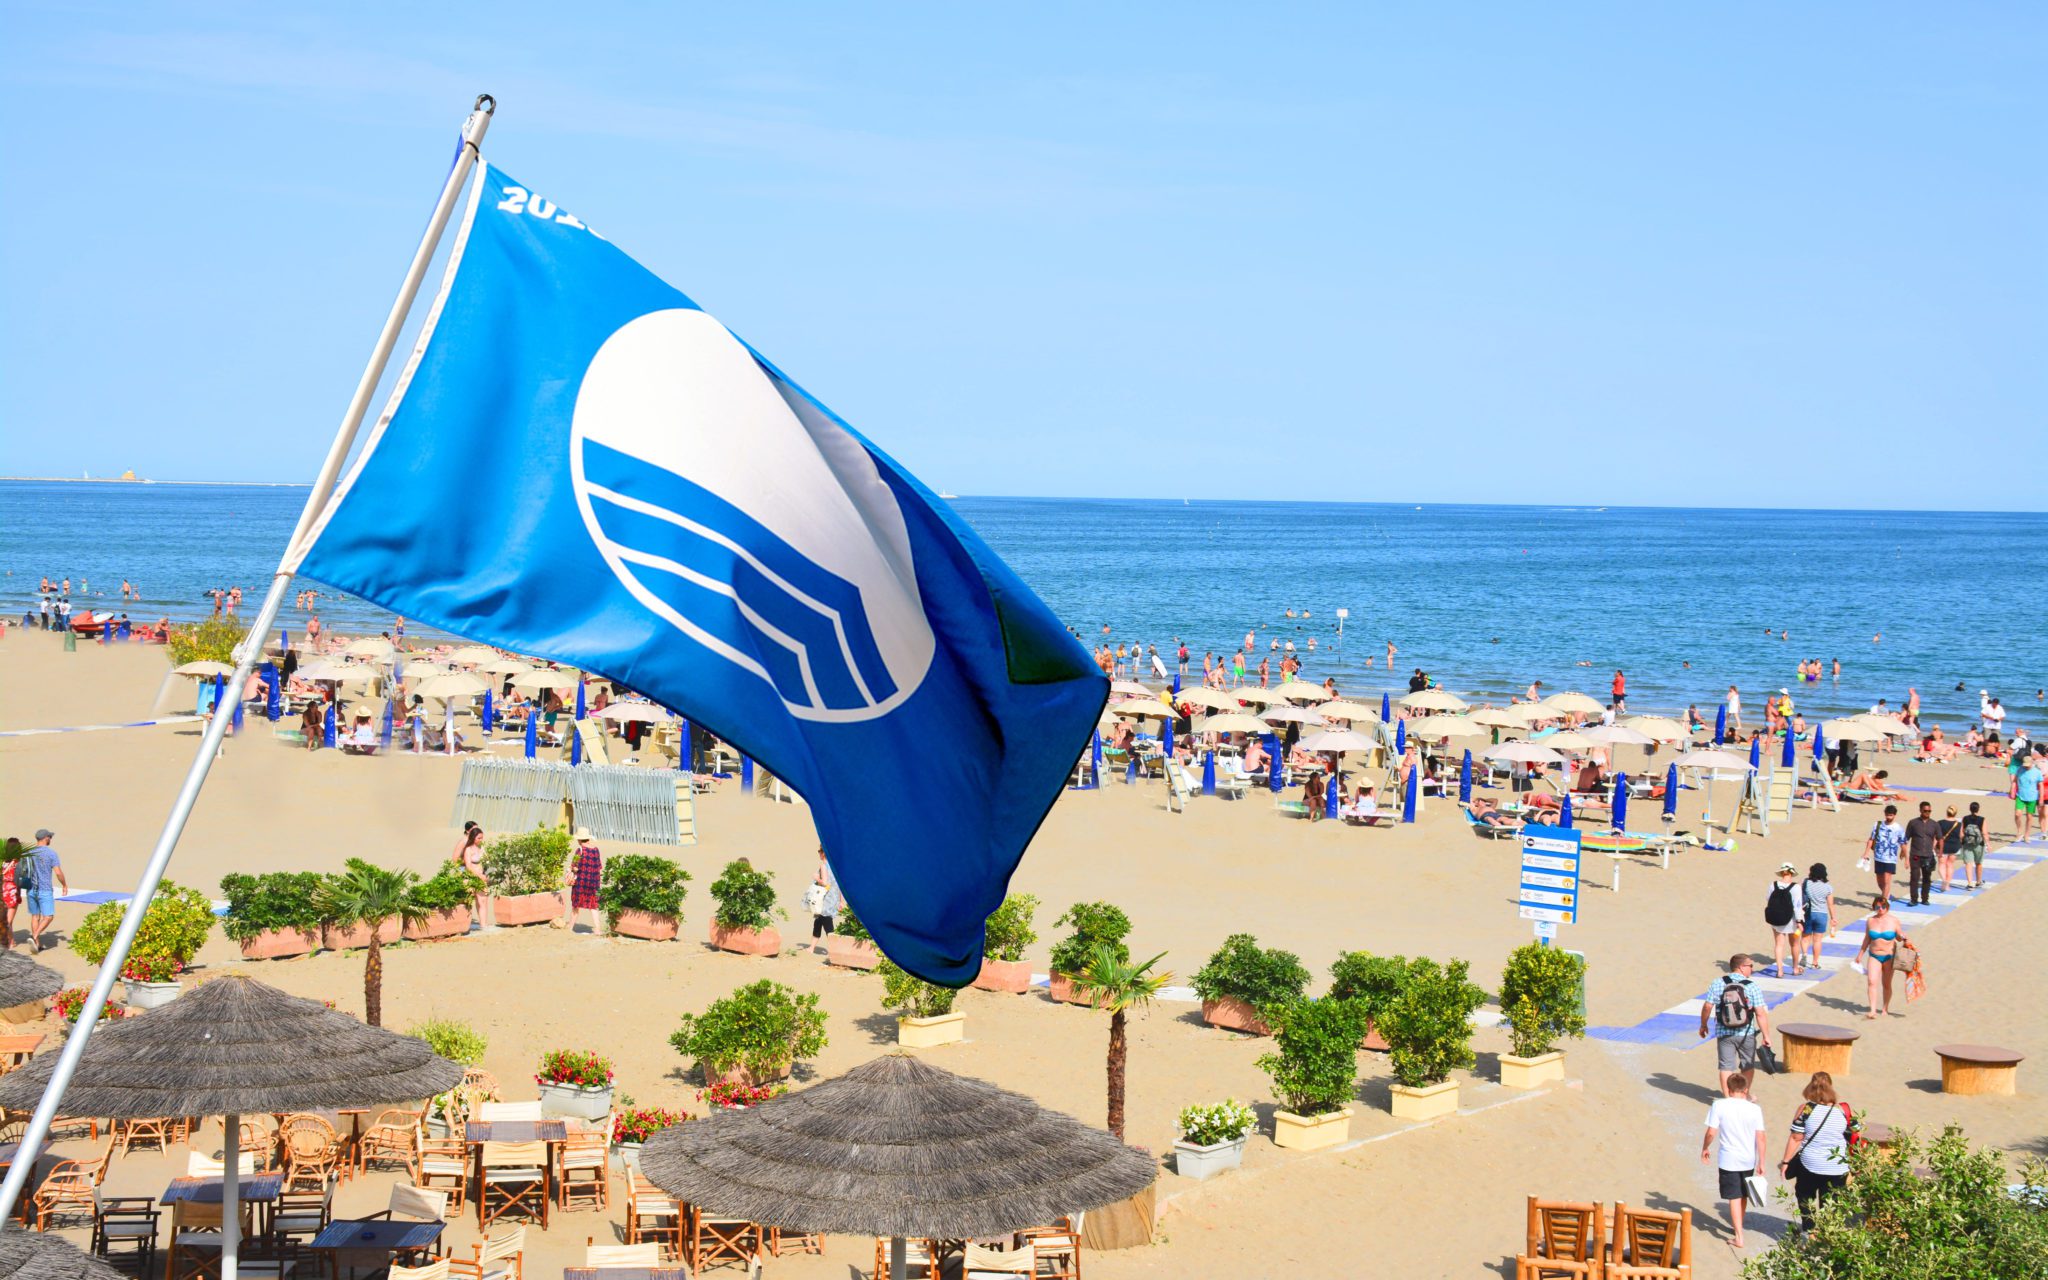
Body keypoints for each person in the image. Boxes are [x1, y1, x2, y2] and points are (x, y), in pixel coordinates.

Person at [1778, 1073, 1855, 1231]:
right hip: (1837, 1166)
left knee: (1805, 1195)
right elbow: (1854, 1134)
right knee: (1832, 1203)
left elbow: (1796, 1138)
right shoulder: (1843, 1110)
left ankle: (1810, 1230)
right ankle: (1828, 1235)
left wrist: (1786, 1162)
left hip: (1810, 1163)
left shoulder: (1806, 1109)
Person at [1701, 1069, 1768, 1248]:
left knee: (1734, 1196)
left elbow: (1711, 1132)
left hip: (1728, 1159)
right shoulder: (1755, 1109)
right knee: (1743, 1195)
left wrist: (1705, 1148)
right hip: (1748, 1158)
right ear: (1745, 1090)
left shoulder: (1719, 1106)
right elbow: (1760, 1137)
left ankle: (1738, 1236)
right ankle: (1738, 1226)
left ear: (1729, 1089)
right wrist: (1762, 1161)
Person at [1698, 954, 1769, 1089]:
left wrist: (1703, 1025)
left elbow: (1707, 1006)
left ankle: (1727, 1097)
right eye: (1750, 966)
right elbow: (1760, 1014)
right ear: (1742, 967)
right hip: (1746, 1032)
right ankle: (1744, 1094)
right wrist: (1766, 1036)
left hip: (1724, 1031)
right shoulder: (1752, 986)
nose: (1752, 969)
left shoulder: (1718, 983)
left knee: (1725, 1067)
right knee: (1747, 1065)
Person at [1853, 893, 1906, 1018]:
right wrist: (1860, 955)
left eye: (1883, 906)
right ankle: (1872, 1010)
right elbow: (1867, 939)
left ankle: (1885, 1008)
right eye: (1877, 907)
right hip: (1874, 955)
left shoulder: (1894, 920)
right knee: (1871, 981)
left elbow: (1898, 937)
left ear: (1887, 907)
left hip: (1889, 956)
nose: (1880, 909)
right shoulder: (1871, 921)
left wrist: (1902, 936)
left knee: (1886, 984)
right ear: (1874, 908)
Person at [21, 829, 67, 953]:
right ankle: (34, 936)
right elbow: (58, 873)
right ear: (46, 838)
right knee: (48, 916)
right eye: (50, 837)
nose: (51, 839)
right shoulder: (51, 853)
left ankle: (37, 945)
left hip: (31, 889)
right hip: (45, 889)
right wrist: (64, 885)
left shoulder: (29, 852)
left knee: (35, 916)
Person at [1765, 863, 1807, 977]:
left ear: (1782, 873)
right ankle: (1795, 969)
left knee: (1779, 944)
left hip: (1776, 918)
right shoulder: (1796, 887)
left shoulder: (1773, 885)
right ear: (1792, 873)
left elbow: (1768, 900)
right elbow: (1797, 906)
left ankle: (1779, 971)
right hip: (1791, 920)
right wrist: (1799, 921)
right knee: (1794, 945)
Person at [564, 827, 602, 935]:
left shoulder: (579, 850)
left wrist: (572, 870)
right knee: (593, 906)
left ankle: (570, 927)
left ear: (579, 840)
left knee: (576, 906)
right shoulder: (596, 850)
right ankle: (598, 929)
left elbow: (575, 867)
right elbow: (599, 866)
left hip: (581, 883)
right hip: (594, 882)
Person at [1864, 804, 1905, 903]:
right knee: (1879, 881)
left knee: (1887, 881)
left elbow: (1903, 842)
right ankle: (1887, 895)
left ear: (1894, 815)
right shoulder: (1877, 825)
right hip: (1878, 857)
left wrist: (1904, 854)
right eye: (1887, 815)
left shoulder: (1898, 828)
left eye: (1891, 815)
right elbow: (1871, 839)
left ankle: (1884, 902)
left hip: (1890, 858)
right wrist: (1866, 853)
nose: (1888, 817)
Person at [1903, 800, 1940, 907]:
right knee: (1914, 877)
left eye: (1929, 811)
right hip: (1915, 854)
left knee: (1927, 878)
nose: (1927, 813)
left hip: (1928, 855)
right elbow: (1906, 838)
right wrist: (1903, 851)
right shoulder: (1913, 823)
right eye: (1925, 811)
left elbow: (1940, 838)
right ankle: (1913, 899)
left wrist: (1940, 851)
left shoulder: (1934, 824)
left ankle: (1925, 899)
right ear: (1920, 810)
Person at [1798, 862, 1834, 973]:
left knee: (1805, 937)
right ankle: (1815, 962)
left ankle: (1804, 955)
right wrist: (1833, 917)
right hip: (1822, 914)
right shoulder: (1828, 887)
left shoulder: (1806, 883)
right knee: (1817, 940)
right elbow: (1830, 904)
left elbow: (1799, 896)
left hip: (1808, 913)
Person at [805, 848, 841, 953]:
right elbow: (839, 885)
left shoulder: (824, 866)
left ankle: (835, 950)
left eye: (819, 851)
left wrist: (816, 878)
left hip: (824, 900)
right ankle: (811, 948)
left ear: (824, 853)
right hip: (833, 899)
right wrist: (841, 901)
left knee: (828, 926)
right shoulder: (834, 866)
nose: (819, 854)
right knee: (818, 922)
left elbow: (825, 883)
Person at [456, 822, 488, 928]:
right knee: (467, 901)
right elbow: (464, 864)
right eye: (479, 838)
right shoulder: (467, 847)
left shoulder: (481, 848)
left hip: (481, 876)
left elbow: (486, 861)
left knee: (482, 900)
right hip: (470, 875)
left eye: (482, 838)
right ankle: (464, 924)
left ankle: (483, 925)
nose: (481, 840)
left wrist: (487, 873)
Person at [2015, 751, 2043, 844]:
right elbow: (2015, 781)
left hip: (2032, 797)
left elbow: (2041, 785)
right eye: (2025, 765)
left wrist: (2041, 797)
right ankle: (2019, 832)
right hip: (2020, 795)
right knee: (2017, 814)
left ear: (2031, 763)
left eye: (2028, 765)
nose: (2026, 766)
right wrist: (2012, 789)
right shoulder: (2020, 769)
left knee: (2029, 817)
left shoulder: (2037, 772)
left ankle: (2027, 835)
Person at [1958, 801, 1988, 889]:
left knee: (1968, 863)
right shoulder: (1982, 819)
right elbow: (1985, 833)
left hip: (1967, 844)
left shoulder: (1965, 818)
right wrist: (1988, 844)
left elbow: (1961, 833)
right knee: (1978, 863)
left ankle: (1970, 883)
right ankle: (1978, 881)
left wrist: (1962, 842)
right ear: (1978, 809)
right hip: (1979, 844)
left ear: (1970, 809)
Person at [0, 838, 22, 951]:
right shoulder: (17, 862)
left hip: (3, 888)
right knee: (8, 920)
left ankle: (11, 941)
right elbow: (19, 879)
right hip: (12, 890)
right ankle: (8, 942)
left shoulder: (4, 862)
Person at [1935, 805, 1962, 895]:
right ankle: (1947, 884)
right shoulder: (1959, 824)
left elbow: (1936, 836)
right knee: (1950, 865)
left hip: (1943, 846)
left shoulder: (1940, 823)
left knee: (1942, 864)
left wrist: (1934, 846)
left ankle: (1944, 880)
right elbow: (1961, 836)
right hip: (1954, 846)